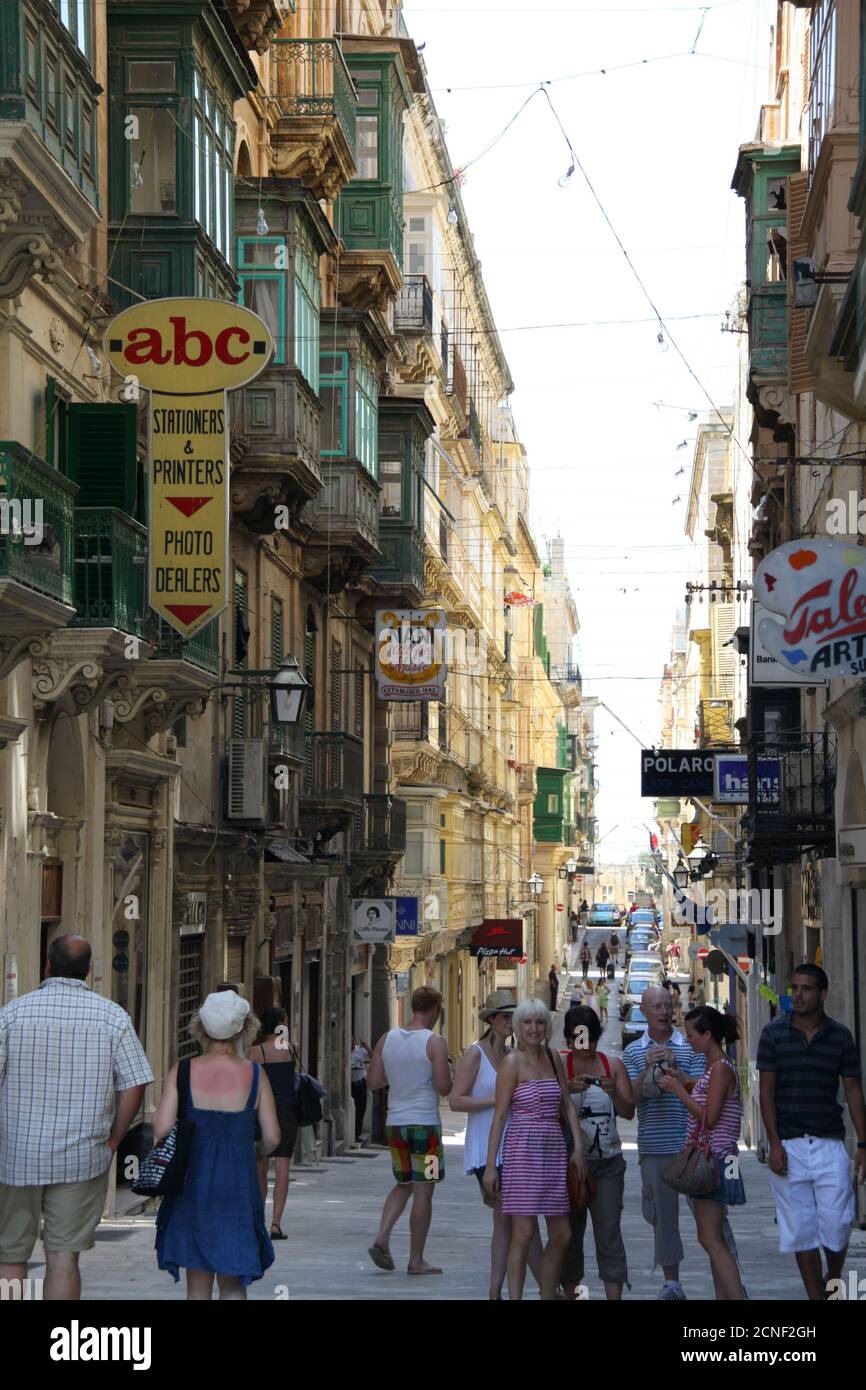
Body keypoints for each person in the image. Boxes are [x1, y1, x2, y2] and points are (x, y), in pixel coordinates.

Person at [0, 935, 153, 1301]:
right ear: (88, 971)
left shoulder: (12, 1014)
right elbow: (135, 1083)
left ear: (47, 966)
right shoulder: (113, 1017)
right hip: (82, 1156)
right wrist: (116, 1138)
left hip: (16, 1155)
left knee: (9, 1253)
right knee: (64, 1257)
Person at [154, 992, 280, 1298]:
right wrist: (254, 1152)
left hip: (192, 1186)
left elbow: (161, 1128)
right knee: (233, 1280)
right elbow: (273, 1137)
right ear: (243, 1029)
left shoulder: (182, 1071)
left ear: (201, 1028)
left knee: (198, 1281)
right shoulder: (254, 1074)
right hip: (238, 1186)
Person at [758, 964, 866, 1301]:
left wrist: (863, 1143)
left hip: (829, 1143)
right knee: (800, 1230)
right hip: (789, 1144)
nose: (798, 995)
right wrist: (774, 1144)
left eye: (806, 989)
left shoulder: (840, 1036)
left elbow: (852, 1091)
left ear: (822, 994)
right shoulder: (773, 1034)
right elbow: (766, 1092)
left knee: (838, 1223)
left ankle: (832, 1276)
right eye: (795, 988)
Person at [622, 985, 737, 1300]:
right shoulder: (633, 1052)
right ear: (643, 1011)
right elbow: (628, 1105)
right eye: (656, 1006)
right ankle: (672, 1285)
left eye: (667, 1005)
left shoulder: (692, 1044)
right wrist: (648, 1068)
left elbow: (708, 1088)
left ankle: (728, 1288)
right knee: (662, 1220)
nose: (663, 1012)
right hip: (655, 1146)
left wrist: (675, 1069)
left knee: (713, 1226)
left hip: (701, 1149)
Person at [483, 999, 586, 1301]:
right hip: (522, 1151)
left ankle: (546, 1293)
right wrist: (491, 1166)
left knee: (562, 1234)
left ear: (546, 1026)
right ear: (518, 1026)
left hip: (553, 1148)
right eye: (527, 1023)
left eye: (539, 1022)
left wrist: (577, 1147)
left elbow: (566, 1104)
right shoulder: (511, 1063)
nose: (533, 1028)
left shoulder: (554, 1057)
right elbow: (500, 1116)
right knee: (524, 1234)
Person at [451, 990, 544, 1300]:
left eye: (512, 1017)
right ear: (491, 1020)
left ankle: (496, 1292)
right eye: (505, 1017)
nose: (510, 1022)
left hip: (516, 1147)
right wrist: (498, 1099)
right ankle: (547, 1287)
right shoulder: (475, 1053)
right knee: (522, 1222)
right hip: (487, 1150)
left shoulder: (511, 1055)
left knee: (507, 1223)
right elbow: (455, 1100)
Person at [659, 1006, 746, 1300]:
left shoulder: (720, 1068)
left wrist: (678, 1091)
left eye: (692, 1034)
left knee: (709, 1238)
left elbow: (709, 1117)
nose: (688, 1040)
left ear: (708, 1035)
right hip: (718, 1158)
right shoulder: (714, 1068)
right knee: (714, 1237)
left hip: (715, 1159)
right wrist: (682, 1080)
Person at [366, 986, 451, 1275]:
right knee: (424, 1191)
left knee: (404, 1185)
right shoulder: (435, 1042)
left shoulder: (386, 1039)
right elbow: (444, 1088)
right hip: (425, 1126)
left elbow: (374, 1081)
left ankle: (382, 1237)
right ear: (436, 1011)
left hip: (396, 1125)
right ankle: (416, 1260)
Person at [558, 1006, 634, 1299]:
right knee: (570, 1237)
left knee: (609, 1232)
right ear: (568, 1038)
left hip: (608, 1164)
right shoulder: (559, 1067)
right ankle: (572, 1293)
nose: (585, 1046)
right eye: (579, 1038)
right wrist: (566, 1090)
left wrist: (614, 1092)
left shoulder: (611, 1065)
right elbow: (546, 1112)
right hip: (571, 1166)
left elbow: (628, 1111)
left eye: (590, 1039)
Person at [254, 1007, 300, 1240]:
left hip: (263, 1113)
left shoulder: (257, 1052)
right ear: (281, 1023)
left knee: (261, 1167)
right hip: (287, 1113)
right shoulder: (291, 1049)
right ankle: (276, 1224)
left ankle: (259, 1220)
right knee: (283, 1169)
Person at [351, 1035, 372, 1144]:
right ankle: (352, 1132)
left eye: (352, 1040)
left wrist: (366, 1046)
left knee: (361, 1107)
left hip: (360, 1082)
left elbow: (373, 1056)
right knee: (354, 1107)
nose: (351, 1042)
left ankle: (357, 1133)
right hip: (350, 1084)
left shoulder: (360, 1050)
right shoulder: (346, 1052)